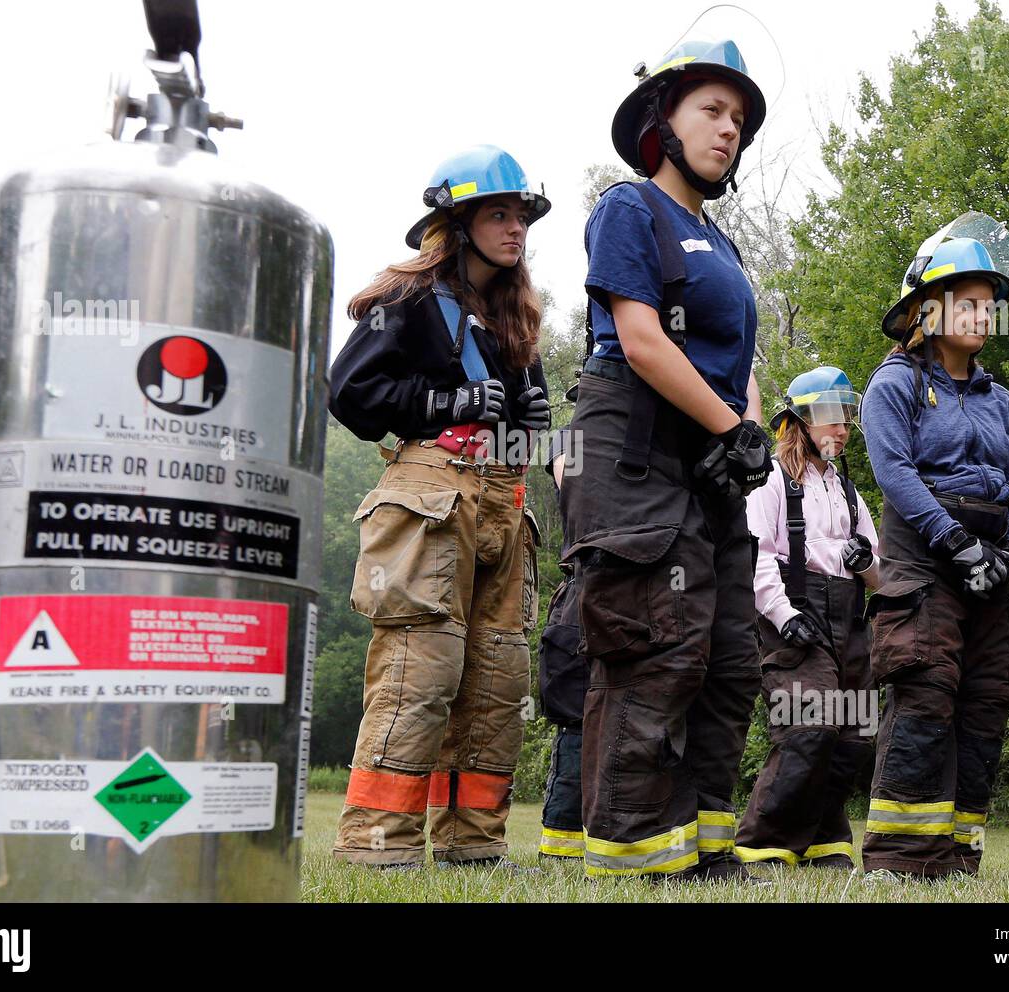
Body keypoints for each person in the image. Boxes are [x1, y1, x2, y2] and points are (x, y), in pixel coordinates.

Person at [561, 38, 773, 882]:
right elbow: (643, 341)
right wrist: (730, 427)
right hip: (634, 444)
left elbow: (743, 360)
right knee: (656, 640)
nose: (730, 131)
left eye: (740, 121)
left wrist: (746, 435)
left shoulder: (721, 244)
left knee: (727, 657)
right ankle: (631, 850)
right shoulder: (630, 210)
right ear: (664, 121)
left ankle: (707, 847)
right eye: (713, 112)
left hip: (713, 451)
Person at [328, 145, 551, 869]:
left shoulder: (515, 314)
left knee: (497, 678)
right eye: (498, 214)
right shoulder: (411, 298)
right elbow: (350, 394)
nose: (515, 228)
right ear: (456, 222)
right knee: (420, 670)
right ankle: (377, 842)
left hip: (503, 500)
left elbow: (514, 414)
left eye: (521, 216)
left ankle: (474, 844)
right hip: (431, 490)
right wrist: (443, 400)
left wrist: (528, 414)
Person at [859, 214, 1009, 879]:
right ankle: (902, 857)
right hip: (923, 561)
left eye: (987, 305)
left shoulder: (1006, 403)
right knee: (928, 688)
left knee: (987, 697)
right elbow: (895, 473)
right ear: (927, 310)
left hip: (993, 569)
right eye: (966, 302)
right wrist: (957, 542)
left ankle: (959, 852)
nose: (981, 315)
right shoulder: (895, 384)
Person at [733, 367, 880, 871]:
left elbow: (881, 574)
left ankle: (822, 838)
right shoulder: (771, 480)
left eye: (846, 420)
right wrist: (784, 615)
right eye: (832, 419)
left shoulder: (849, 492)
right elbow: (753, 556)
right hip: (793, 617)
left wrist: (868, 562)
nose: (842, 430)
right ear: (801, 420)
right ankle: (760, 843)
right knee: (808, 725)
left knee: (855, 734)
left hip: (849, 619)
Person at [535, 428, 586, 861]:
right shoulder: (570, 440)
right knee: (577, 719)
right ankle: (562, 845)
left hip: (643, 594)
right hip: (583, 595)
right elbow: (580, 489)